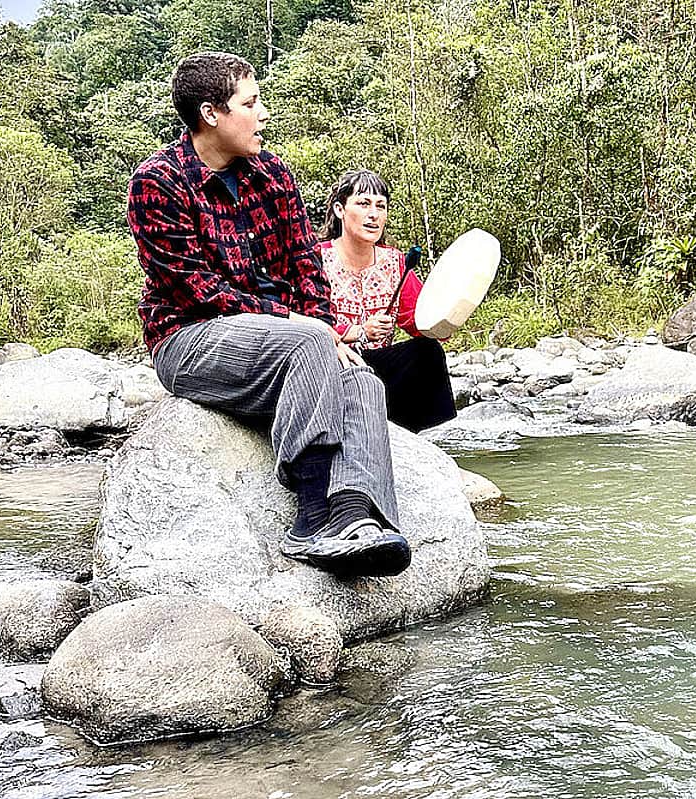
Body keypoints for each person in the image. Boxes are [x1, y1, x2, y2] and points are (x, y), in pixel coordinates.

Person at [126, 52, 410, 578]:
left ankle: (356, 519)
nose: (262, 115)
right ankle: (310, 518)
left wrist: (326, 329)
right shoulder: (158, 182)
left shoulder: (272, 173)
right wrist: (305, 329)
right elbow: (192, 290)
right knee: (309, 343)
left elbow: (306, 266)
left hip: (282, 347)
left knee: (362, 379)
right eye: (250, 104)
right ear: (212, 114)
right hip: (190, 338)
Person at [317, 169, 456, 434]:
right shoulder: (315, 259)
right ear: (339, 209)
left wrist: (450, 312)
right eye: (363, 203)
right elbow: (299, 319)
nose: (373, 214)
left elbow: (420, 322)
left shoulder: (395, 262)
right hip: (332, 367)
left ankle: (410, 439)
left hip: (377, 367)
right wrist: (356, 332)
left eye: (381, 206)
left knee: (427, 352)